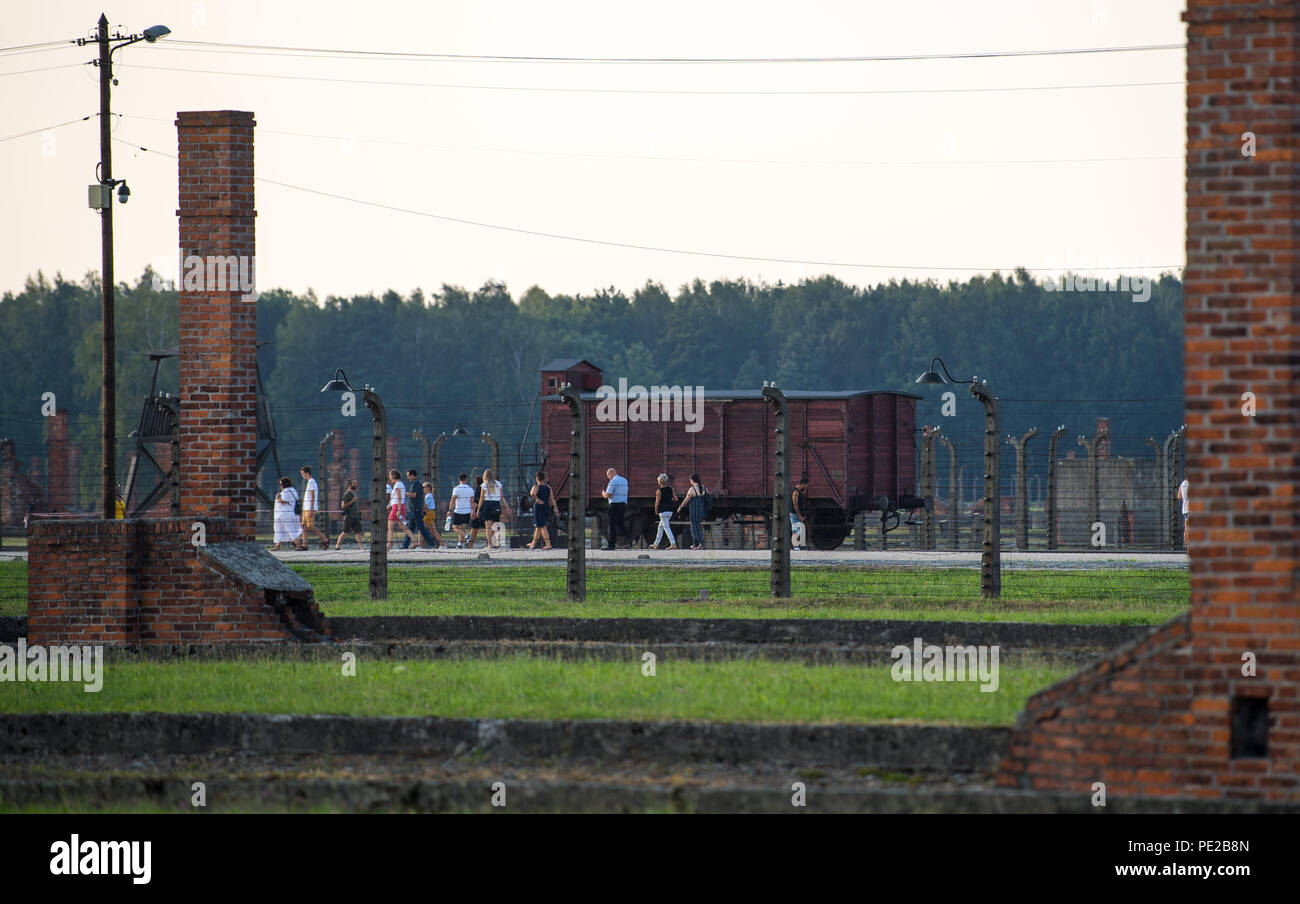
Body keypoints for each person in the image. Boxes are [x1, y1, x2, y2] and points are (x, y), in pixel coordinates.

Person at [401, 468, 438, 549]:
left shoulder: (416, 484)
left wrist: (404, 493)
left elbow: (413, 495)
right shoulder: (414, 484)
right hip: (413, 510)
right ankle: (405, 545)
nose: (407, 478)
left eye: (408, 476)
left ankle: (432, 543)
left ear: (413, 475)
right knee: (410, 528)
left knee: (421, 528)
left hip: (416, 509)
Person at [479, 468, 512, 549]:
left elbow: (481, 498)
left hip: (487, 504)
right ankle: (497, 540)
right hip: (496, 504)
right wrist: (507, 507)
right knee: (495, 525)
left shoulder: (484, 485)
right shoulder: (498, 483)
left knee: (488, 526)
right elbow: (502, 497)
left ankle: (490, 544)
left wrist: (478, 508)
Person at [527, 470, 561, 549]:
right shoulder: (548, 487)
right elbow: (552, 498)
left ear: (536, 479)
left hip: (539, 507)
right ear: (544, 479)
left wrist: (537, 499)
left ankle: (548, 544)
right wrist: (555, 508)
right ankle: (533, 543)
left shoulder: (536, 487)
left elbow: (532, 493)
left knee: (542, 526)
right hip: (546, 507)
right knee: (538, 526)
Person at [300, 466, 330, 550]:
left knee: (310, 526)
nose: (302, 475)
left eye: (303, 474)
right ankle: (305, 545)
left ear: (307, 473)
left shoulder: (312, 482)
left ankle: (325, 539)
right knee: (304, 526)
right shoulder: (309, 482)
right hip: (305, 507)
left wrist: (311, 508)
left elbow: (312, 496)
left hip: (310, 508)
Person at [676, 473, 708, 550]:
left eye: (690, 480)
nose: (690, 481)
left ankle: (699, 544)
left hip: (694, 510)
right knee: (699, 526)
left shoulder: (692, 489)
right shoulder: (704, 488)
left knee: (694, 527)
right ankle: (699, 544)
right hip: (701, 510)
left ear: (693, 480)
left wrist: (680, 507)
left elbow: (686, 500)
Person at [602, 467, 632, 549]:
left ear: (610, 474)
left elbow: (609, 494)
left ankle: (611, 545)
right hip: (622, 504)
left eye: (608, 476)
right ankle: (630, 539)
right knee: (620, 524)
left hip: (614, 505)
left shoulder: (613, 481)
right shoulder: (624, 480)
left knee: (612, 525)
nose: (608, 477)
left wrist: (603, 493)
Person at [272, 476, 304, 551]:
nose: (280, 486)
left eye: (280, 484)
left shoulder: (286, 491)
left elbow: (284, 501)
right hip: (289, 514)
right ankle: (277, 546)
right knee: (279, 529)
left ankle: (298, 545)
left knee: (290, 530)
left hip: (285, 515)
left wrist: (277, 498)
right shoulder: (293, 490)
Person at [334, 478, 365, 551]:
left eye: (355, 483)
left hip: (356, 516)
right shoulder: (347, 494)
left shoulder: (354, 493)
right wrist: (352, 501)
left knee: (358, 533)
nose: (355, 484)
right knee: (344, 532)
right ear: (349, 485)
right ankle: (337, 546)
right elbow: (343, 505)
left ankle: (361, 548)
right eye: (353, 483)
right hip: (349, 516)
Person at [387, 468, 414, 551]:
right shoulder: (400, 484)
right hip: (399, 506)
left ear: (394, 476)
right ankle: (414, 541)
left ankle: (389, 543)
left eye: (390, 476)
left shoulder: (397, 485)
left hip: (397, 507)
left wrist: (398, 509)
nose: (390, 477)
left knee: (390, 525)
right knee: (402, 526)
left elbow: (399, 497)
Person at [446, 472, 475, 548]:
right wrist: (473, 511)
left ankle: (467, 536)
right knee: (462, 528)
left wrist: (449, 510)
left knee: (455, 528)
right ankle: (459, 544)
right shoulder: (470, 489)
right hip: (467, 511)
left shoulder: (456, 489)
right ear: (466, 479)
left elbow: (453, 500)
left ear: (459, 479)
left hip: (458, 510)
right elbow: (472, 502)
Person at [652, 473, 678, 549]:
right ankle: (656, 544)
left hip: (662, 511)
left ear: (659, 482)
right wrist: (670, 500)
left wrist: (656, 510)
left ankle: (673, 544)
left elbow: (657, 503)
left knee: (666, 527)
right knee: (660, 527)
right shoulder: (670, 489)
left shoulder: (659, 491)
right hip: (670, 511)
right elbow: (676, 499)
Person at [422, 482, 444, 548]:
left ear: (428, 488)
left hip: (428, 513)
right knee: (433, 530)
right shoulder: (429, 495)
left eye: (424, 487)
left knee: (422, 529)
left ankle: (419, 545)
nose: (423, 489)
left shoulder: (428, 496)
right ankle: (442, 544)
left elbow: (425, 506)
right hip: (430, 513)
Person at [791, 476, 810, 551]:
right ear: (804, 484)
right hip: (794, 514)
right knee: (795, 529)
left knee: (799, 529)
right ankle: (796, 547)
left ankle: (798, 546)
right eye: (807, 486)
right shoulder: (795, 492)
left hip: (797, 514)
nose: (807, 488)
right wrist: (799, 515)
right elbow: (795, 504)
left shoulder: (799, 491)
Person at [467, 475, 486, 548]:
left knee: (474, 529)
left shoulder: (476, 490)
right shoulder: (485, 489)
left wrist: (473, 511)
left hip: (477, 511)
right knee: (488, 528)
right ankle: (492, 543)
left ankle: (471, 545)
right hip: (484, 511)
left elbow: (474, 502)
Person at [1177, 476, 1189, 546]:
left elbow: (1179, 496)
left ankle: (1187, 545)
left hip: (1185, 509)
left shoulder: (1183, 483)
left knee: (1187, 528)